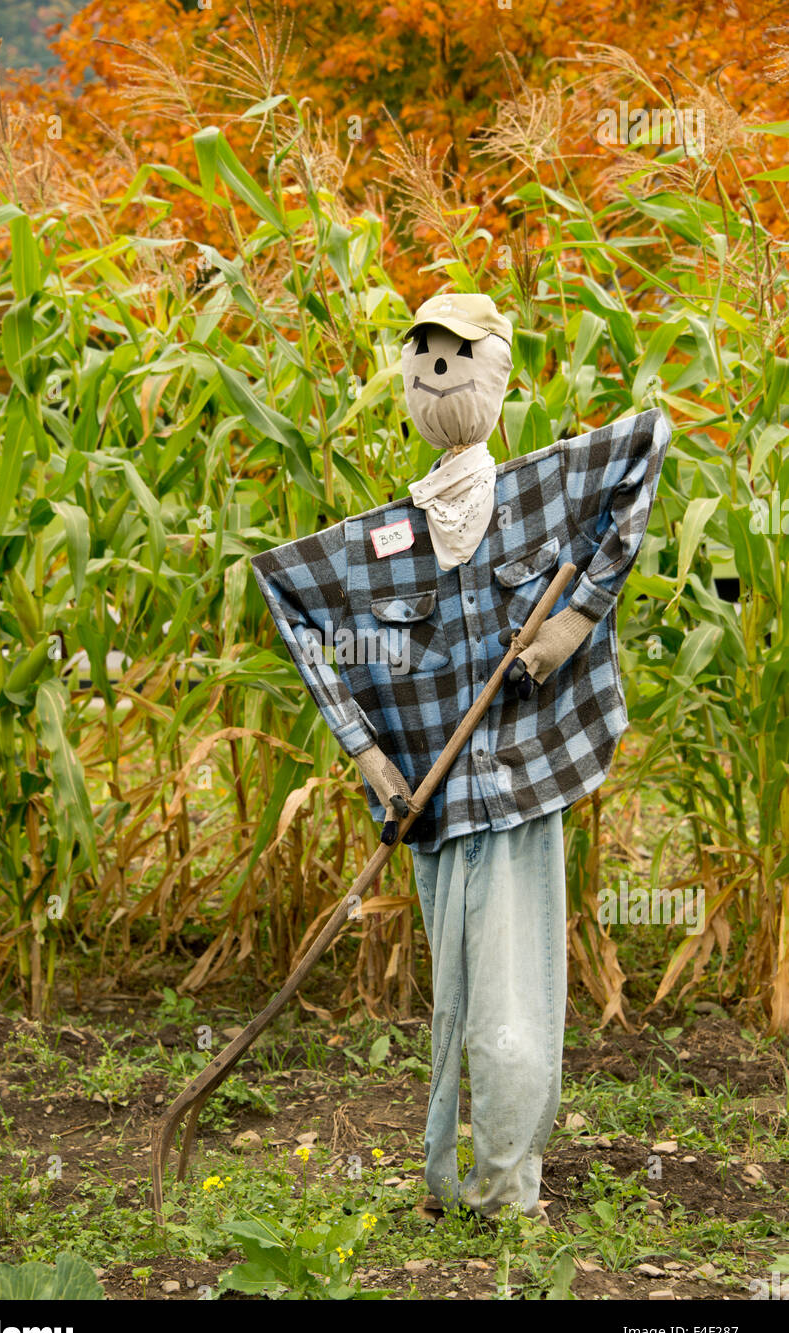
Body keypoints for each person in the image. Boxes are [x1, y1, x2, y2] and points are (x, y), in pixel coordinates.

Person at [252, 292, 671, 1221]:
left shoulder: (542, 489)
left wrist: (571, 619)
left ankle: (506, 1192)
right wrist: (368, 755)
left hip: (522, 791)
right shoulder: (379, 541)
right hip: (433, 808)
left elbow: (647, 441)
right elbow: (285, 596)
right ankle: (449, 1181)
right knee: (454, 1010)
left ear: (492, 371)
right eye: (421, 360)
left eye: (455, 358)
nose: (435, 375)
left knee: (511, 1019)